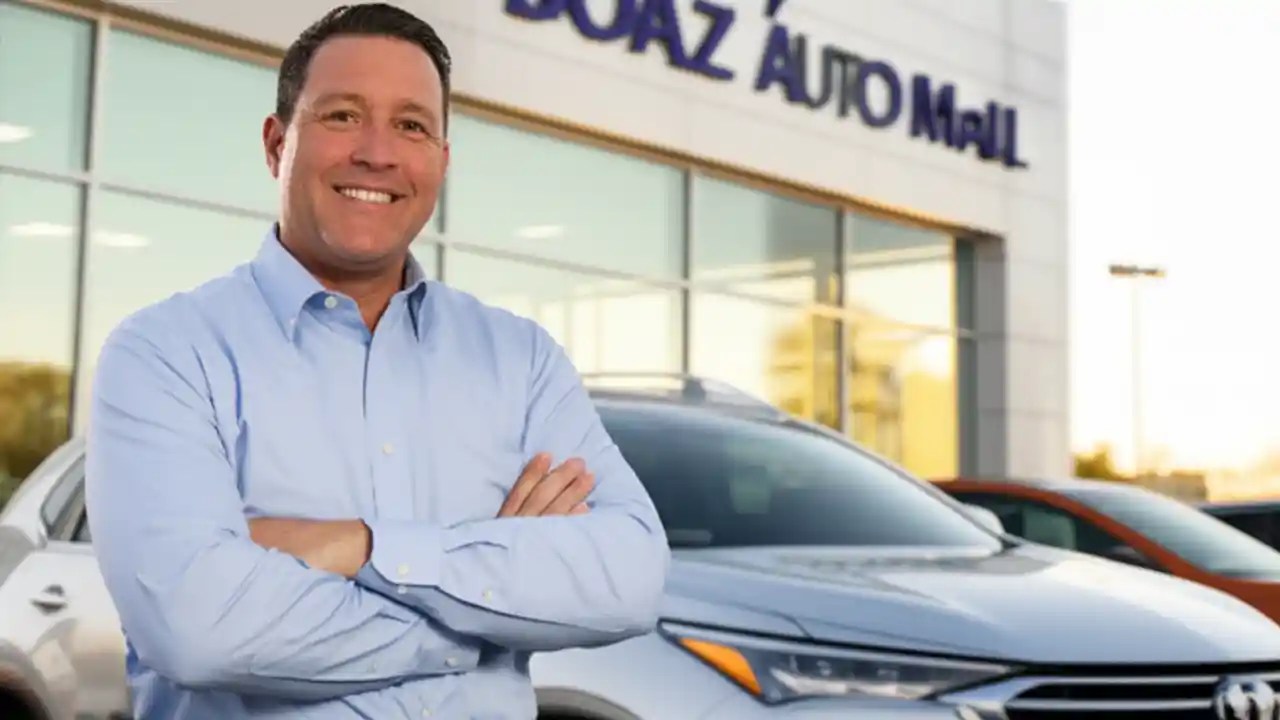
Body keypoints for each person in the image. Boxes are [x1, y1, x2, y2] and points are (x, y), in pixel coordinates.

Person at [83, 4, 670, 718]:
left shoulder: (521, 361)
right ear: (276, 145)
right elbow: (199, 630)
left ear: (441, 163)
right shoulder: (167, 355)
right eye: (342, 116)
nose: (378, 153)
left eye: (412, 125)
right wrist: (485, 611)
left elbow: (631, 578)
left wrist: (359, 549)